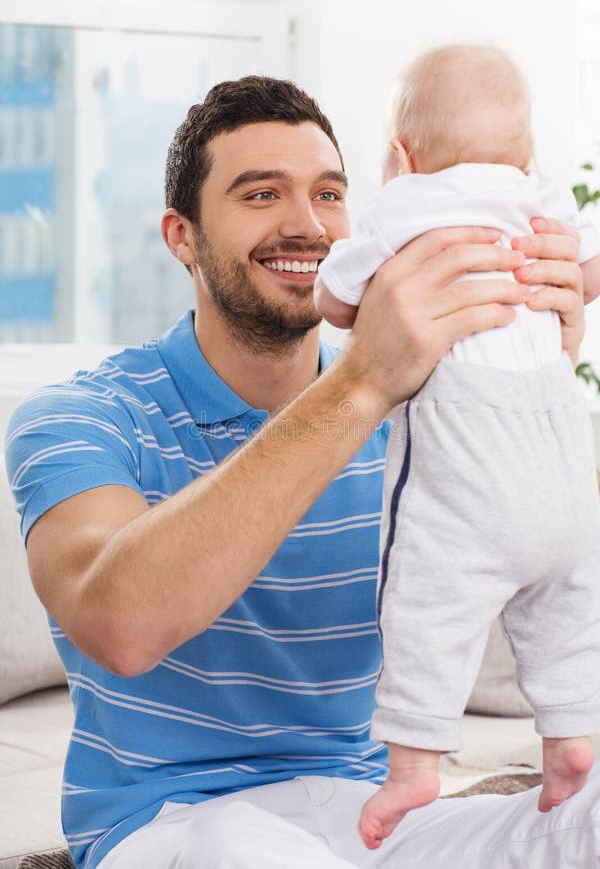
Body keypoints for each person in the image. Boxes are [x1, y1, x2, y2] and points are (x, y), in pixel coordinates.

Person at [4, 74, 596, 869]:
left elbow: (542, 574)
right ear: (182, 237)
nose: (308, 225)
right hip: (176, 826)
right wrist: (359, 384)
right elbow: (122, 628)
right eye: (261, 194)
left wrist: (533, 382)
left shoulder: (424, 404)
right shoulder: (81, 416)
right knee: (239, 849)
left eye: (328, 194)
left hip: (374, 820)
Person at [315, 45, 600, 851]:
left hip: (472, 461)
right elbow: (585, 274)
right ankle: (572, 739)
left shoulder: (404, 204)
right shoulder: (538, 198)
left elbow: (335, 302)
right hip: (561, 450)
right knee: (568, 613)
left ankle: (414, 766)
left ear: (400, 154)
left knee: (425, 606)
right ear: (525, 150)